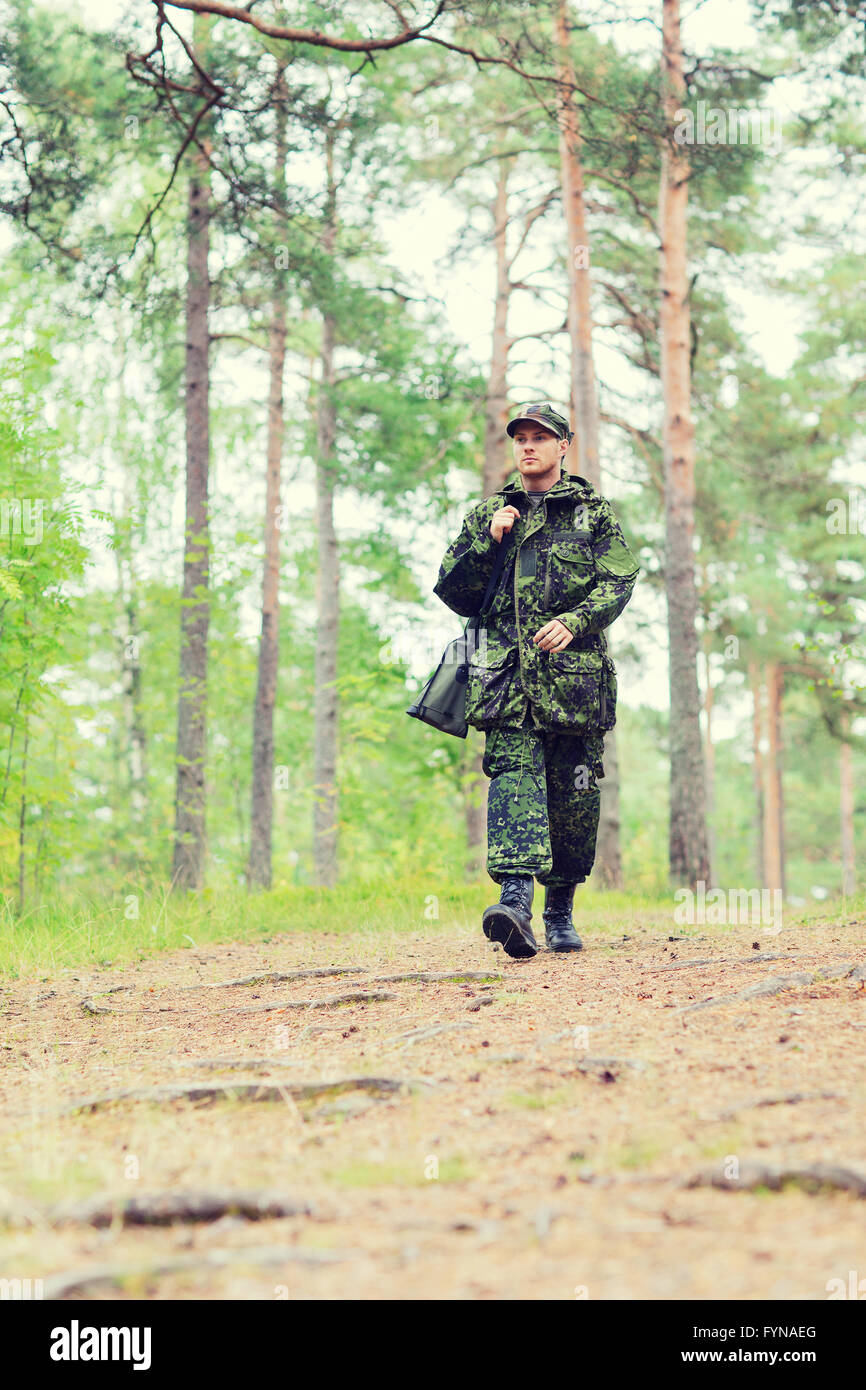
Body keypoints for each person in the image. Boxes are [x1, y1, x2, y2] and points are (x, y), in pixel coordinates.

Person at [433, 403, 640, 958]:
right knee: (513, 779)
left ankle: (560, 911)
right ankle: (515, 904)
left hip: (574, 683)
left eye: (540, 438)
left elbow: (620, 580)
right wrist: (488, 544)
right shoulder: (488, 516)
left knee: (573, 799)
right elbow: (455, 593)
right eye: (520, 438)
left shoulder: (592, 514)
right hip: (504, 680)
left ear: (563, 445)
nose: (528, 447)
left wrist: (575, 622)